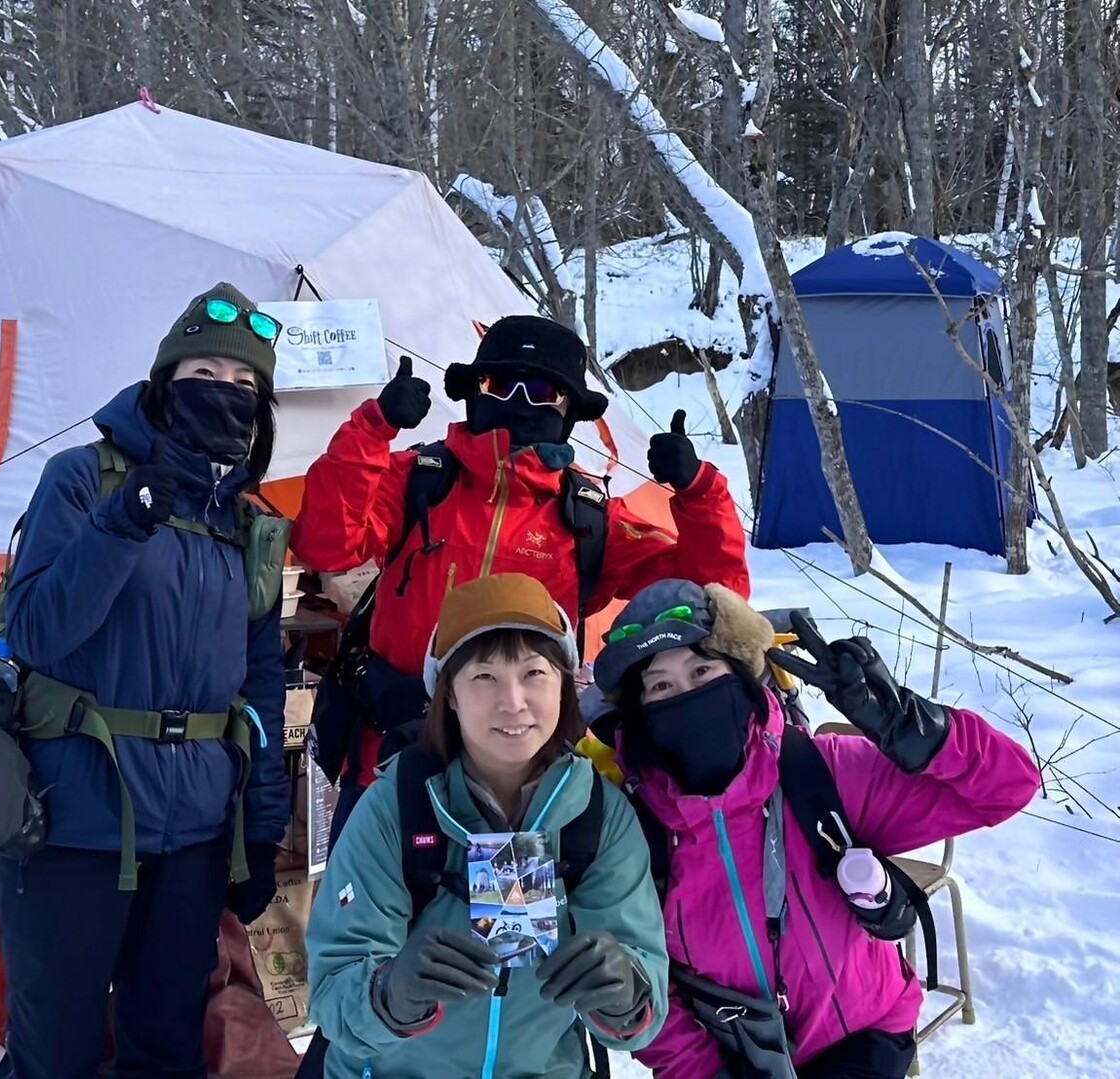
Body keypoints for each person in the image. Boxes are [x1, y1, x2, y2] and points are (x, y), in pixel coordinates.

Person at [291, 314, 750, 844]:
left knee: (506, 925)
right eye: (499, 384)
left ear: (570, 411)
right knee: (367, 918)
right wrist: (372, 427)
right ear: (473, 392)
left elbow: (713, 594)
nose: (518, 401)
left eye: (541, 390)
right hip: (389, 763)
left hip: (522, 785)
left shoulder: (589, 518)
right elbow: (326, 543)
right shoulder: (420, 479)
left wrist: (699, 493)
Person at [0, 282, 290, 1079]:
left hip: (192, 835)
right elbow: (40, 631)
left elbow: (258, 692)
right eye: (205, 371)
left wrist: (262, 827)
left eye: (245, 387)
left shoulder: (248, 523)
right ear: (165, 377)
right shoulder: (81, 478)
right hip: (71, 825)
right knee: (56, 1056)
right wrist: (124, 521)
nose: (224, 394)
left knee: (166, 1051)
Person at [588, 579, 1042, 1079]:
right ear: (639, 712)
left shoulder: (820, 773)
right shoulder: (632, 825)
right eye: (662, 686)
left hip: (861, 1042)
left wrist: (908, 725)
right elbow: (651, 983)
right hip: (735, 1058)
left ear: (742, 678)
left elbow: (1008, 784)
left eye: (702, 670)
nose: (687, 695)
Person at [305, 573, 669, 1079]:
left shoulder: (597, 817)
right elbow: (330, 992)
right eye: (484, 677)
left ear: (564, 682)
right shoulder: (398, 806)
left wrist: (625, 994)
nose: (514, 702)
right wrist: (390, 993)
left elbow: (643, 1014)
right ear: (448, 694)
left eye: (535, 673)